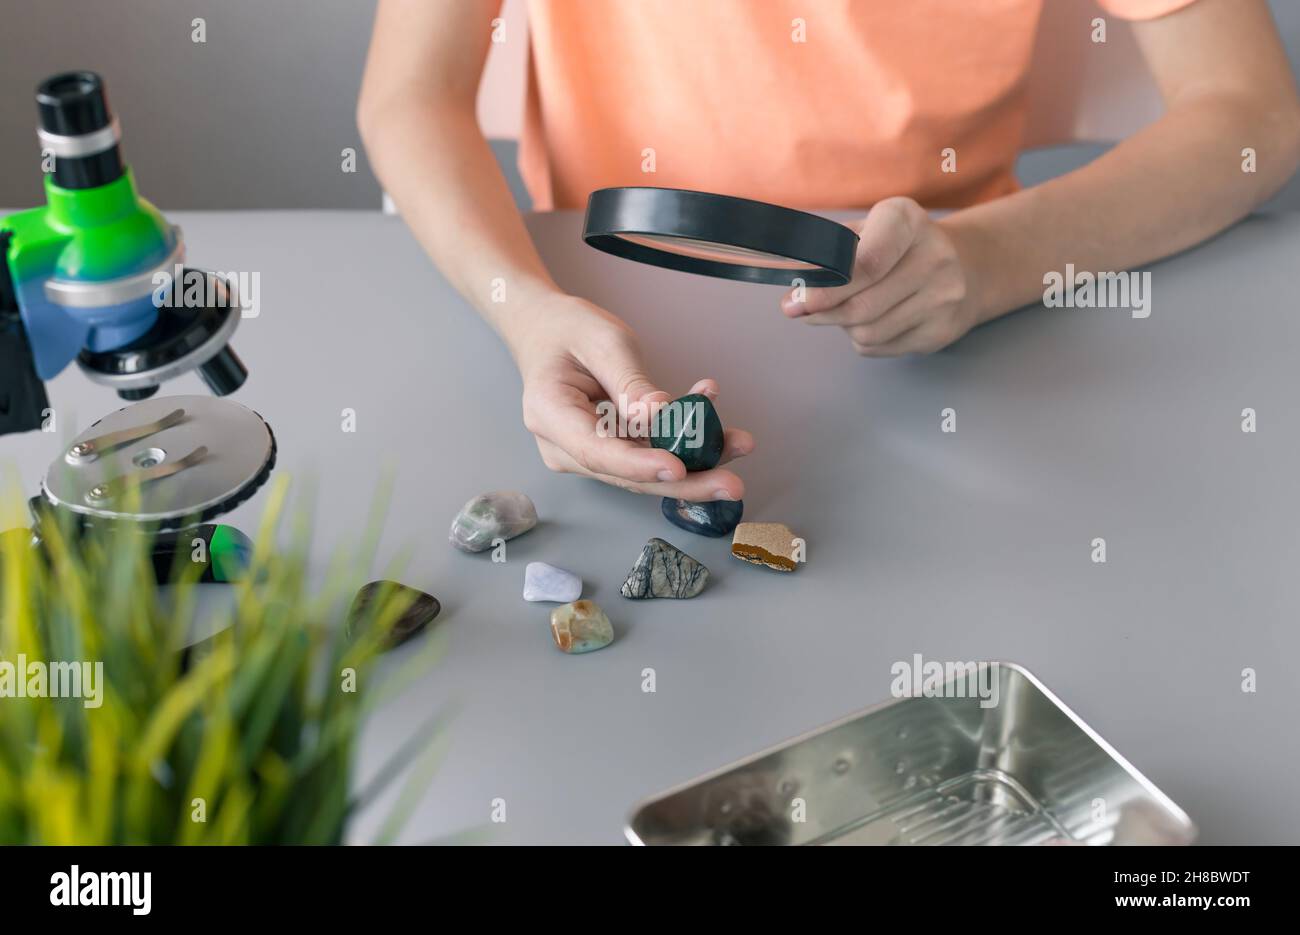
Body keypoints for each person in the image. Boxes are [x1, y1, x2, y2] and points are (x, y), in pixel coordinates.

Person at [358, 0, 1300, 501]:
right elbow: (408, 96)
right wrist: (525, 310)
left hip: (964, 343)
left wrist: (993, 259)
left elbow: (1253, 112)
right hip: (603, 316)